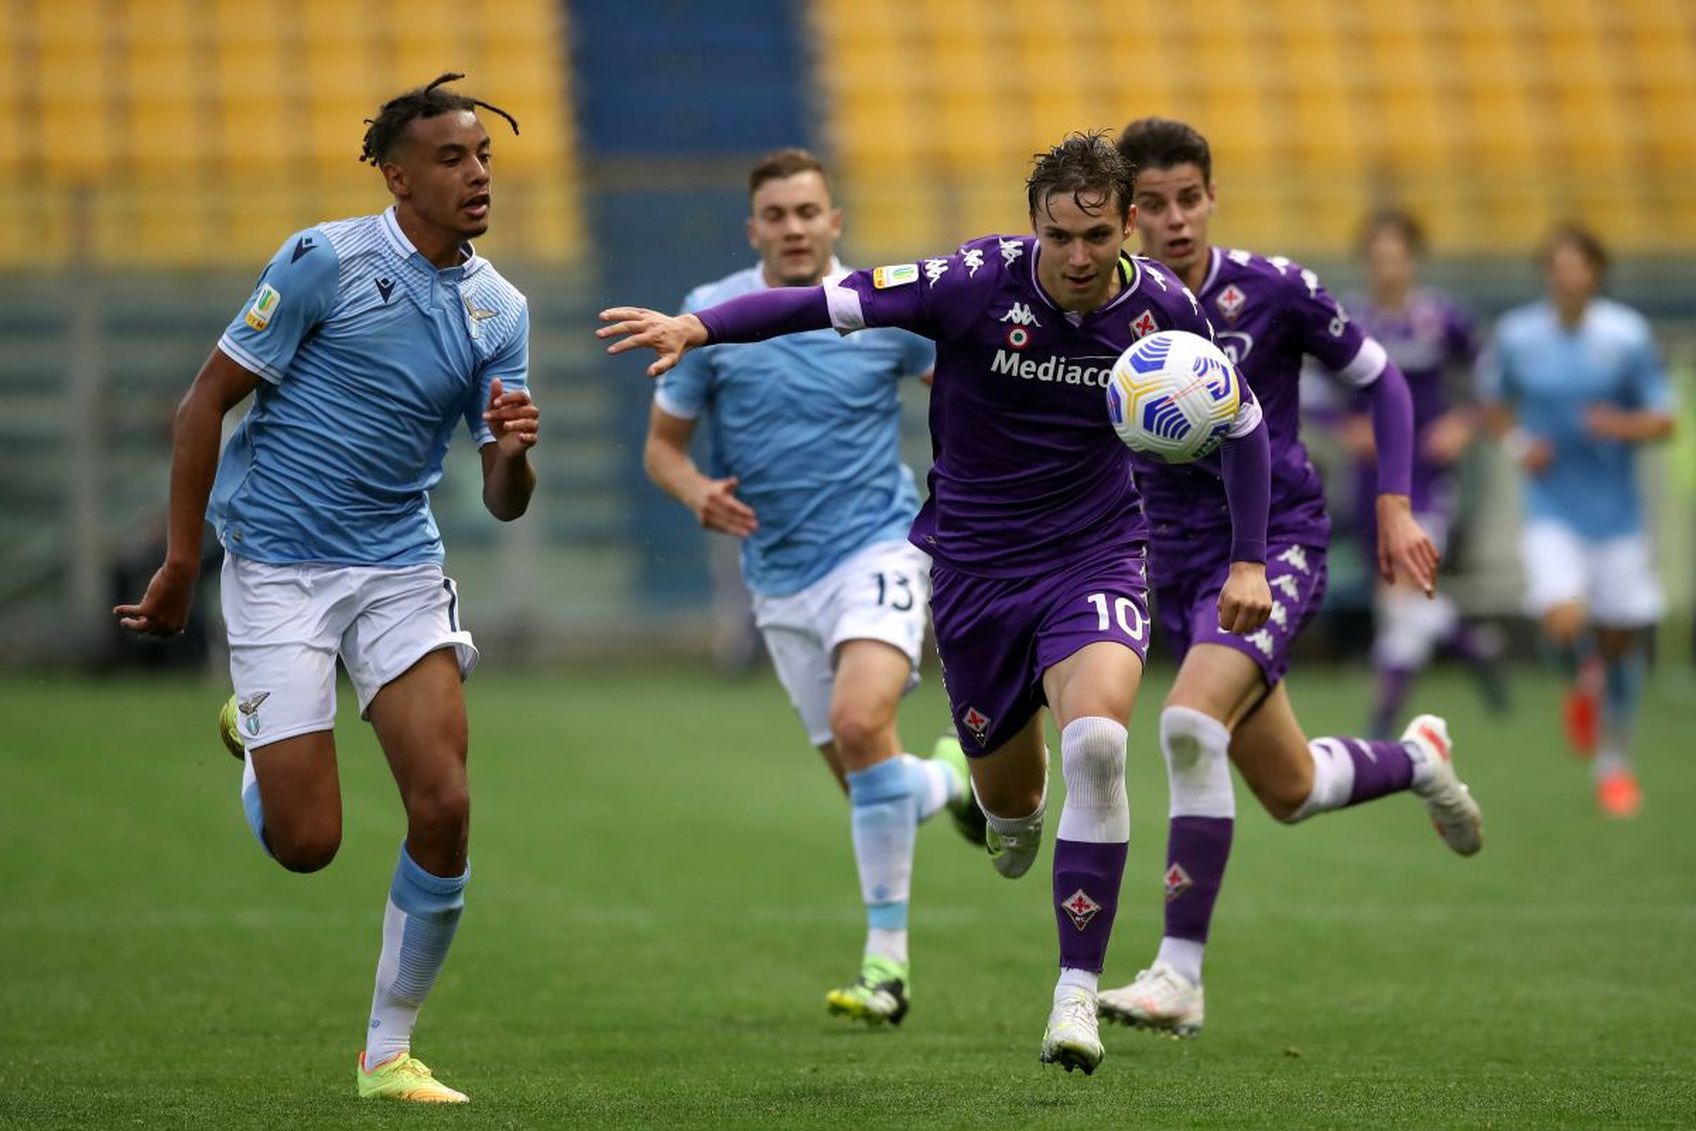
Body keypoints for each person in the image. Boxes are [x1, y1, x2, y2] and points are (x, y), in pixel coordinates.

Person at [603, 132, 1273, 1076]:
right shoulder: (970, 282)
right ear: (1031, 224)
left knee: (1100, 741)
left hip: (1097, 556)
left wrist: (1250, 561)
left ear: (1129, 225)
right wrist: (700, 330)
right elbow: (818, 304)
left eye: (1095, 235)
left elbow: (1243, 426)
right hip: (972, 575)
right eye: (1056, 236)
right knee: (1014, 811)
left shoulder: (1167, 315)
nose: (1076, 257)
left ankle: (1075, 991)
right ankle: (992, 801)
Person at [114, 74, 538, 1104]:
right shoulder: (323, 260)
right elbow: (202, 407)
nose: (477, 173)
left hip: (398, 568)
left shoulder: (499, 307)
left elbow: (503, 499)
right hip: (278, 569)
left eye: (483, 155)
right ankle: (259, 751)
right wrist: (180, 563)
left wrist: (517, 454)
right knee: (308, 847)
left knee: (444, 805)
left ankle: (386, 1054)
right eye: (452, 157)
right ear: (398, 177)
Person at [1096, 118, 1482, 1039]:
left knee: (1189, 722)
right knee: (1291, 787)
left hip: (1275, 549)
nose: (1174, 218)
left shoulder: (1273, 290)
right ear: (1126, 214)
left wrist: (1392, 502)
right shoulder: (1108, 308)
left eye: (1189, 197)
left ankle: (1178, 975)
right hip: (1172, 560)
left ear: (1212, 196)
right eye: (1152, 203)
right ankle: (1419, 758)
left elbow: (1385, 382)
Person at [642, 147, 978, 1027]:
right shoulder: (710, 317)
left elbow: (969, 406)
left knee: (861, 723)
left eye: (808, 212)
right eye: (777, 215)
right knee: (871, 779)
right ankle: (953, 784)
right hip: (778, 582)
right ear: (754, 229)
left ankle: (887, 969)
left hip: (880, 548)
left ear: (836, 221)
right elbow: (662, 449)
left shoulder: (883, 312)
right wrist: (696, 492)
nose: (793, 227)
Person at [1479, 223, 1674, 818]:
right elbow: (1492, 405)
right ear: (1547, 273)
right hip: (1552, 509)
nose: (1568, 276)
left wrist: (1618, 426)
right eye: (1557, 266)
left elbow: (1665, 419)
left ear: (1596, 272)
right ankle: (1578, 680)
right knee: (1563, 619)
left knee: (1620, 640)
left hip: (1616, 515)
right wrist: (1520, 446)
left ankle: (1614, 763)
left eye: (1578, 265)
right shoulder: (1517, 335)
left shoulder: (1627, 335)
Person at [1341, 209, 1508, 738]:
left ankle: (1381, 723)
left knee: (1401, 590)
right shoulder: (1349, 321)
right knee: (1396, 594)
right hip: (1370, 478)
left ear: (1413, 260)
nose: (1387, 267)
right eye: (1378, 257)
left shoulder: (1444, 319)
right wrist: (1346, 426)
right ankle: (1471, 644)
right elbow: (1316, 390)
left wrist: (1465, 420)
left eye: (1397, 256)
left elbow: (1493, 378)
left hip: (1427, 478)